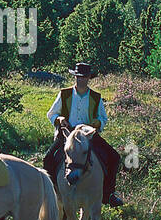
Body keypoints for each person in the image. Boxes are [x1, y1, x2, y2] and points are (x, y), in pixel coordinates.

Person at [43, 62, 124, 207]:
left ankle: (108, 194)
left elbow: (103, 118)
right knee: (48, 158)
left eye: (84, 77)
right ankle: (52, 192)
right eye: (78, 77)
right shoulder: (64, 94)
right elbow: (51, 113)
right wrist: (60, 119)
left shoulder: (95, 97)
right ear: (75, 77)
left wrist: (96, 123)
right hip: (67, 134)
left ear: (88, 78)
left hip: (88, 134)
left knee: (114, 157)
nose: (81, 79)